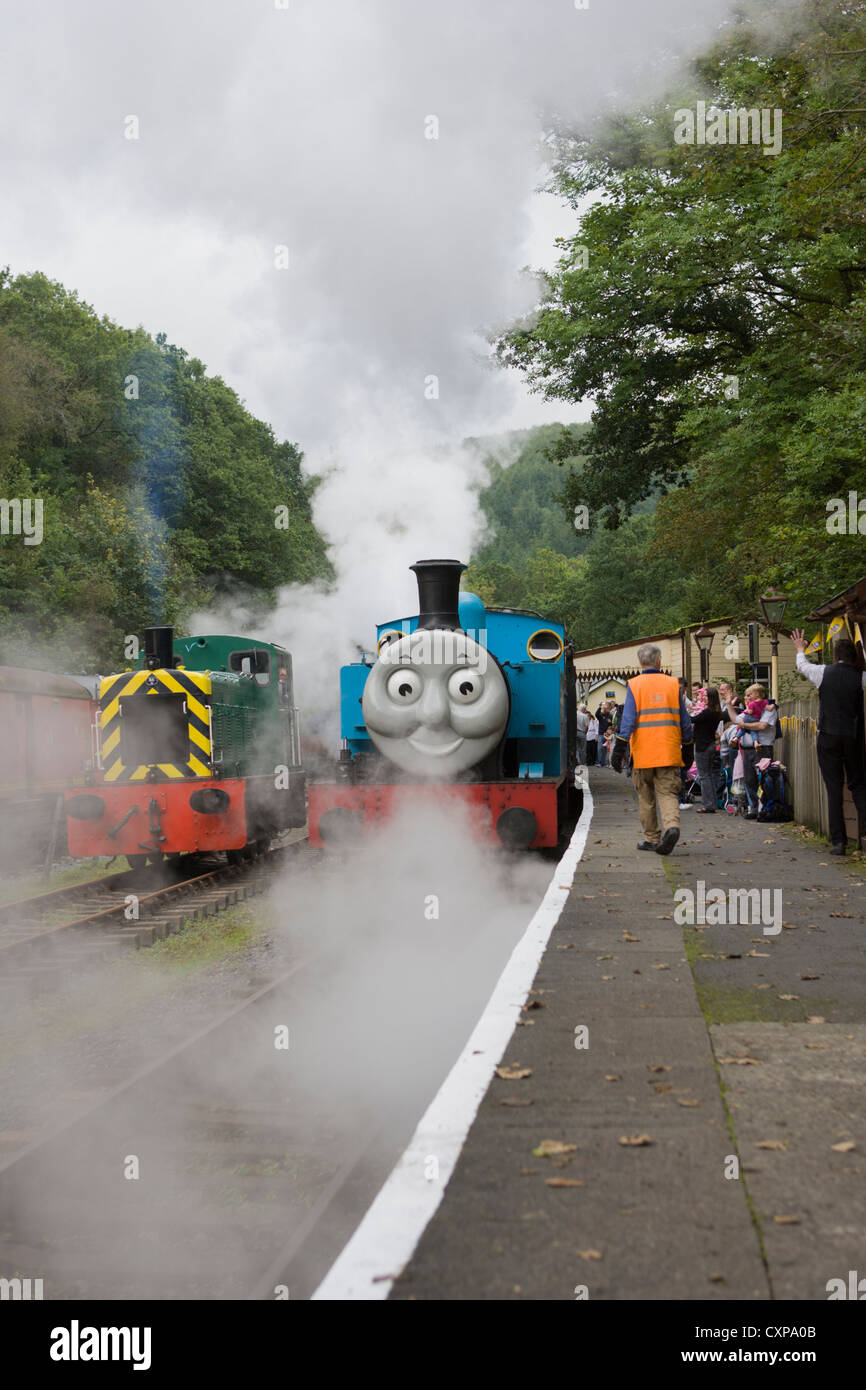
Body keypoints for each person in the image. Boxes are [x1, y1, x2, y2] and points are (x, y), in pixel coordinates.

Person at [610, 644, 693, 854]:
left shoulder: (635, 685)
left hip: (643, 754)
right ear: (659, 661)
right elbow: (685, 721)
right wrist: (689, 746)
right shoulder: (673, 685)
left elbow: (628, 720)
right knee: (668, 794)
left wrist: (619, 749)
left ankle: (651, 838)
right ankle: (672, 827)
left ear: (640, 662)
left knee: (646, 797)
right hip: (669, 750)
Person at [792, 628, 866, 855]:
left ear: (834, 655)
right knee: (859, 786)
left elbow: (802, 666)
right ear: (854, 657)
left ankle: (838, 842)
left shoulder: (823, 673)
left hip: (828, 735)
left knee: (833, 788)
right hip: (853, 736)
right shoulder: (860, 676)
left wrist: (800, 649)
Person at [727, 683, 776, 818]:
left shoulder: (768, 709)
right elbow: (736, 719)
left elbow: (762, 725)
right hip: (747, 749)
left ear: (758, 695)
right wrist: (728, 705)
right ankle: (754, 808)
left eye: (749, 695)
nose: (747, 698)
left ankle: (765, 808)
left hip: (762, 748)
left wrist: (744, 725)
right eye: (746, 695)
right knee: (750, 780)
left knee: (762, 779)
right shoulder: (750, 710)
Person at [691, 686, 729, 814]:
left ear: (712, 698)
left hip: (703, 745)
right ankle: (712, 803)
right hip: (711, 744)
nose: (703, 698)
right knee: (710, 776)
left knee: (704, 776)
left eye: (706, 696)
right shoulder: (716, 711)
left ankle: (708, 805)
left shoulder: (708, 712)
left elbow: (693, 719)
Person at [596, 702, 612, 767]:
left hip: (608, 735)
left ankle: (605, 763)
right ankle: (599, 762)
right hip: (601, 734)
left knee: (606, 749)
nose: (605, 709)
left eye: (606, 708)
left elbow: (612, 725)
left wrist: (610, 723)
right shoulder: (600, 715)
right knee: (599, 748)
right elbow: (596, 714)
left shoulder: (610, 715)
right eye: (604, 708)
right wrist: (600, 707)